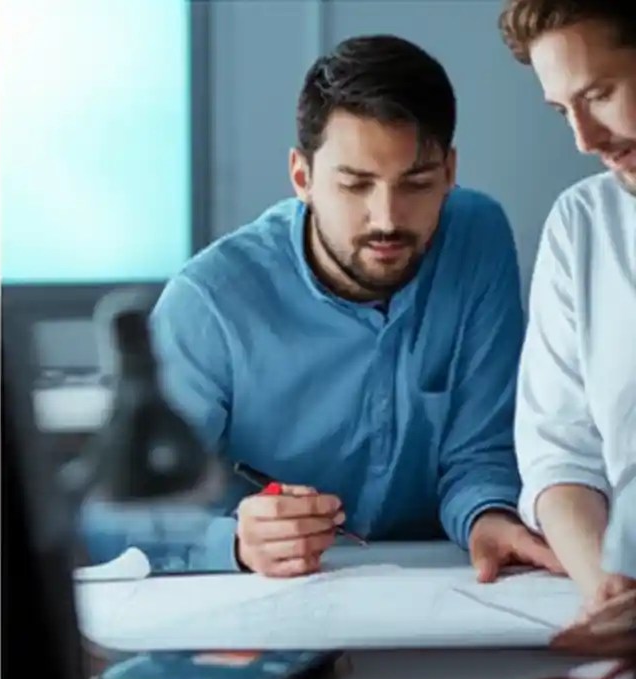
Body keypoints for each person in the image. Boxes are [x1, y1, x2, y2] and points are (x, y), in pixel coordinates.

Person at [147, 34, 562, 580]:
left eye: (416, 184)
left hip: (439, 585)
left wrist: (488, 517)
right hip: (269, 593)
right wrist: (235, 543)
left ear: (449, 171)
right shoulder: (209, 302)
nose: (387, 218)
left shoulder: (476, 237)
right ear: (302, 177)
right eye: (355, 185)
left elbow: (481, 449)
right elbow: (116, 515)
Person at [499, 0, 636, 634]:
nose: (585, 140)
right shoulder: (584, 224)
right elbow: (560, 457)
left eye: (600, 95)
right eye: (562, 111)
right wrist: (607, 592)